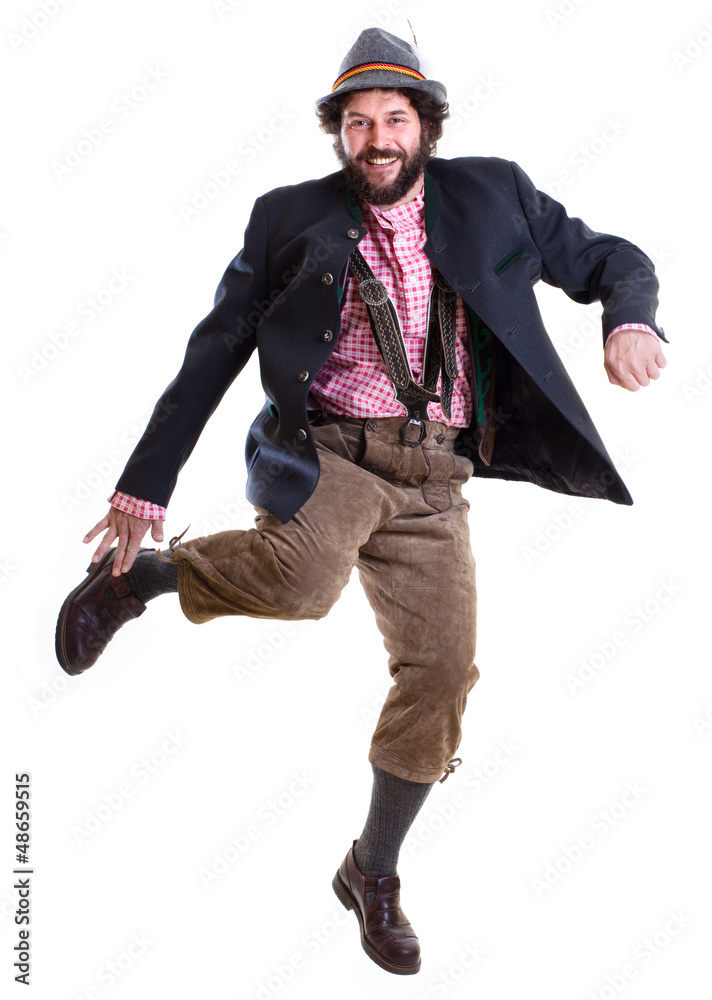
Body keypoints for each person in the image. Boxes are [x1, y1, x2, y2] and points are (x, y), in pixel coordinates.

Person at [55, 28, 667, 976]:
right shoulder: (287, 217)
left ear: (426, 125)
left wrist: (629, 318)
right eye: (356, 123)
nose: (376, 138)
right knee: (302, 585)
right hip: (333, 453)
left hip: (437, 476)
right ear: (338, 133)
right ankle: (143, 581)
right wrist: (145, 484)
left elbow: (614, 257)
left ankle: (370, 870)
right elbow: (215, 350)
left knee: (445, 674)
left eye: (394, 119)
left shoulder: (494, 193)